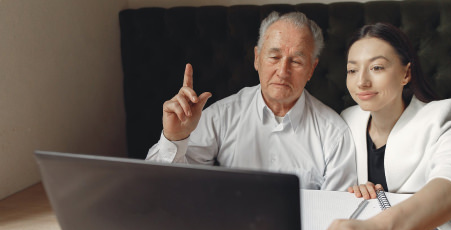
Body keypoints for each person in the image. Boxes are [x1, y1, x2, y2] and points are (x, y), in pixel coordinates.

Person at [300, 22, 451, 230]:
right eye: (352, 70)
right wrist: (354, 190)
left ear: (406, 73)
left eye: (376, 67)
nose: (361, 81)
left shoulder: (442, 116)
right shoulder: (346, 120)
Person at [146, 11, 357, 191]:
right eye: (274, 57)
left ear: (311, 69)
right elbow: (159, 187)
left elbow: (337, 217)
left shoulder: (334, 133)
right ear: (257, 58)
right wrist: (174, 138)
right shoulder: (223, 115)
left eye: (297, 61)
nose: (283, 72)